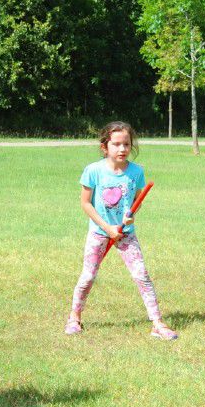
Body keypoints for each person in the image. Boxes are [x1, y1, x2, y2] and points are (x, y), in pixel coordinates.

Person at [65, 121, 178, 340]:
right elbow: (86, 203)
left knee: (141, 275)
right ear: (105, 147)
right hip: (99, 232)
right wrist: (107, 228)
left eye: (126, 144)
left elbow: (137, 200)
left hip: (126, 234)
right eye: (116, 144)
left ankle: (157, 323)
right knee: (88, 276)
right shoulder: (94, 171)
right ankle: (74, 318)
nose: (122, 149)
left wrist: (131, 215)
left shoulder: (136, 172)